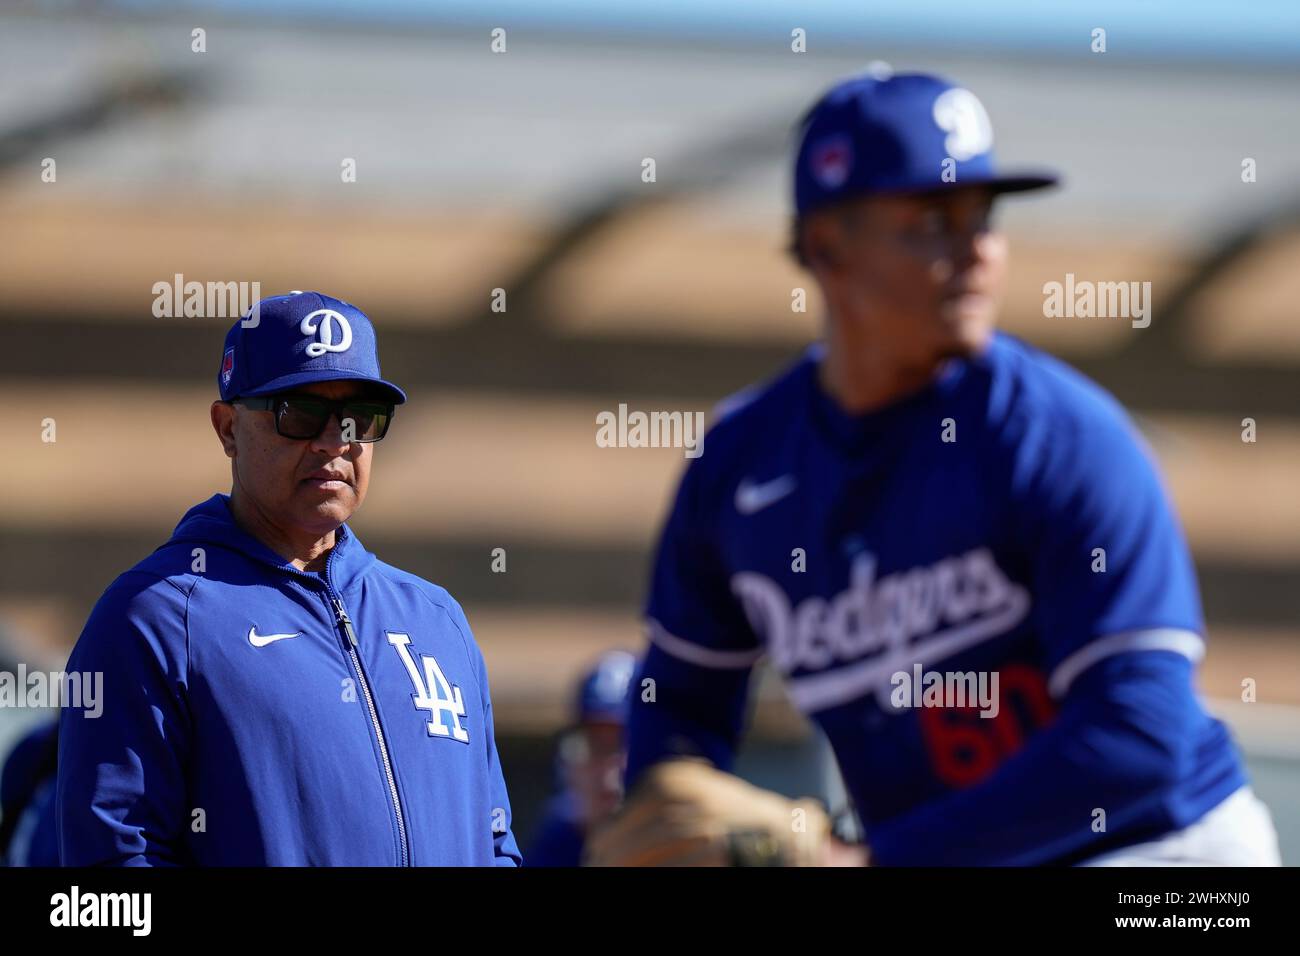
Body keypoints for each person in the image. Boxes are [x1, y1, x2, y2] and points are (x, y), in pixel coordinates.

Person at [614, 71, 1281, 866]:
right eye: (933, 221)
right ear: (827, 245)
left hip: (1161, 852)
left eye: (984, 216)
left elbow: (1140, 735)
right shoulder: (740, 464)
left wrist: (871, 862)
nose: (976, 251)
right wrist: (666, 797)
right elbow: (680, 699)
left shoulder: (1058, 434)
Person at [57, 291, 521, 866]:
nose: (333, 442)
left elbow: (495, 842)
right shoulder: (153, 614)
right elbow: (115, 864)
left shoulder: (437, 618)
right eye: (299, 413)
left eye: (358, 418)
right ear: (228, 428)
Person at [527, 650, 635, 866]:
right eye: (595, 745)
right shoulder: (558, 841)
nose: (608, 769)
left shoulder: (687, 839)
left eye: (621, 744)